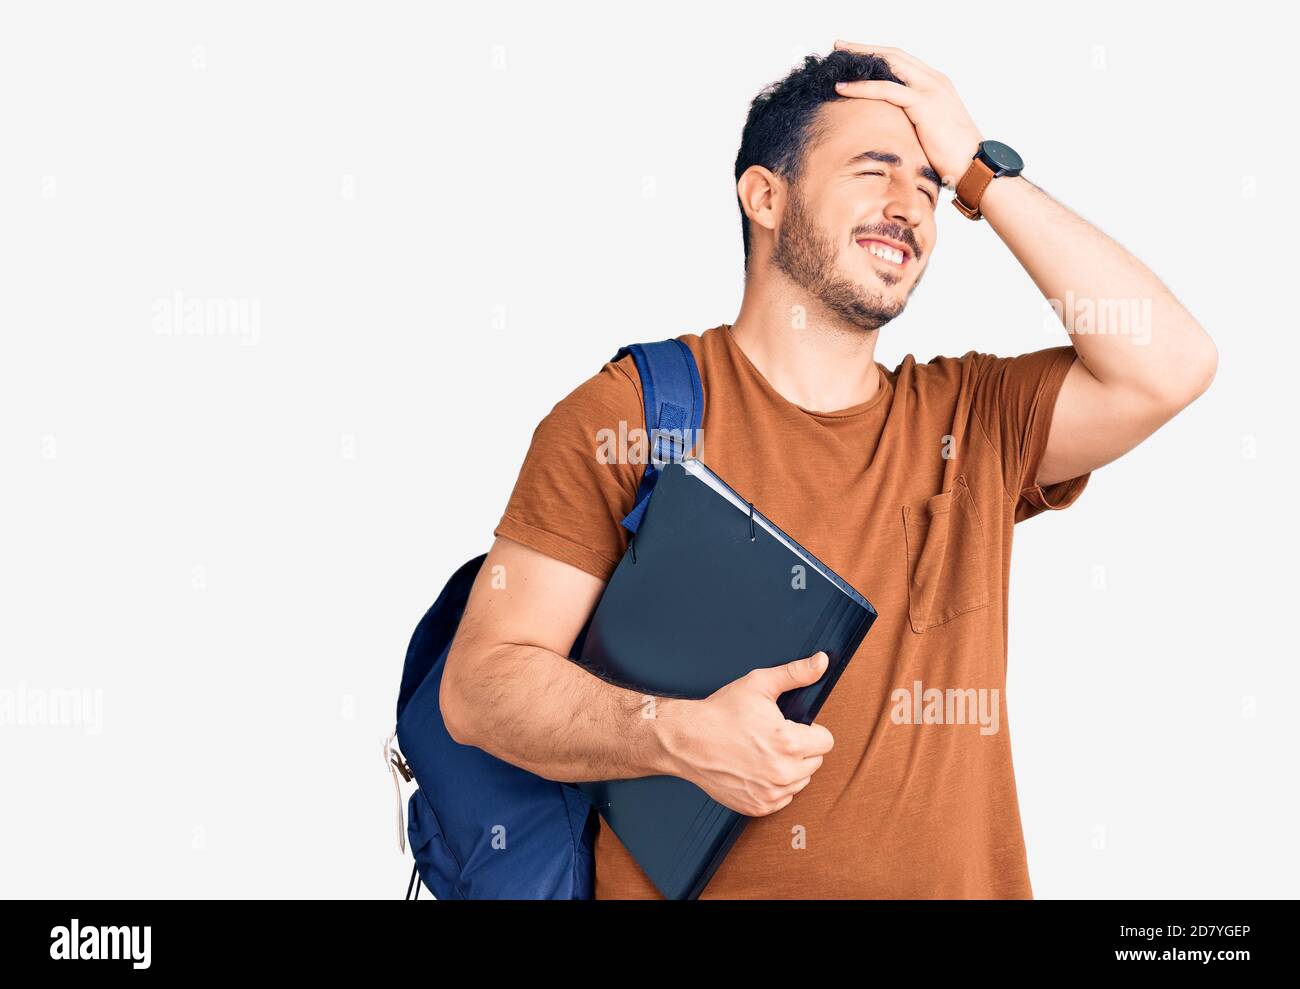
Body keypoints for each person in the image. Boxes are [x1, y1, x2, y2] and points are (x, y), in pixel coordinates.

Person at [439, 42, 1217, 898]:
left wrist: (982, 174)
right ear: (764, 196)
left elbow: (1170, 364)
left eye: (930, 186)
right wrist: (674, 733)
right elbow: (481, 686)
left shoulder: (972, 420)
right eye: (873, 170)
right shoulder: (630, 416)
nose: (909, 207)